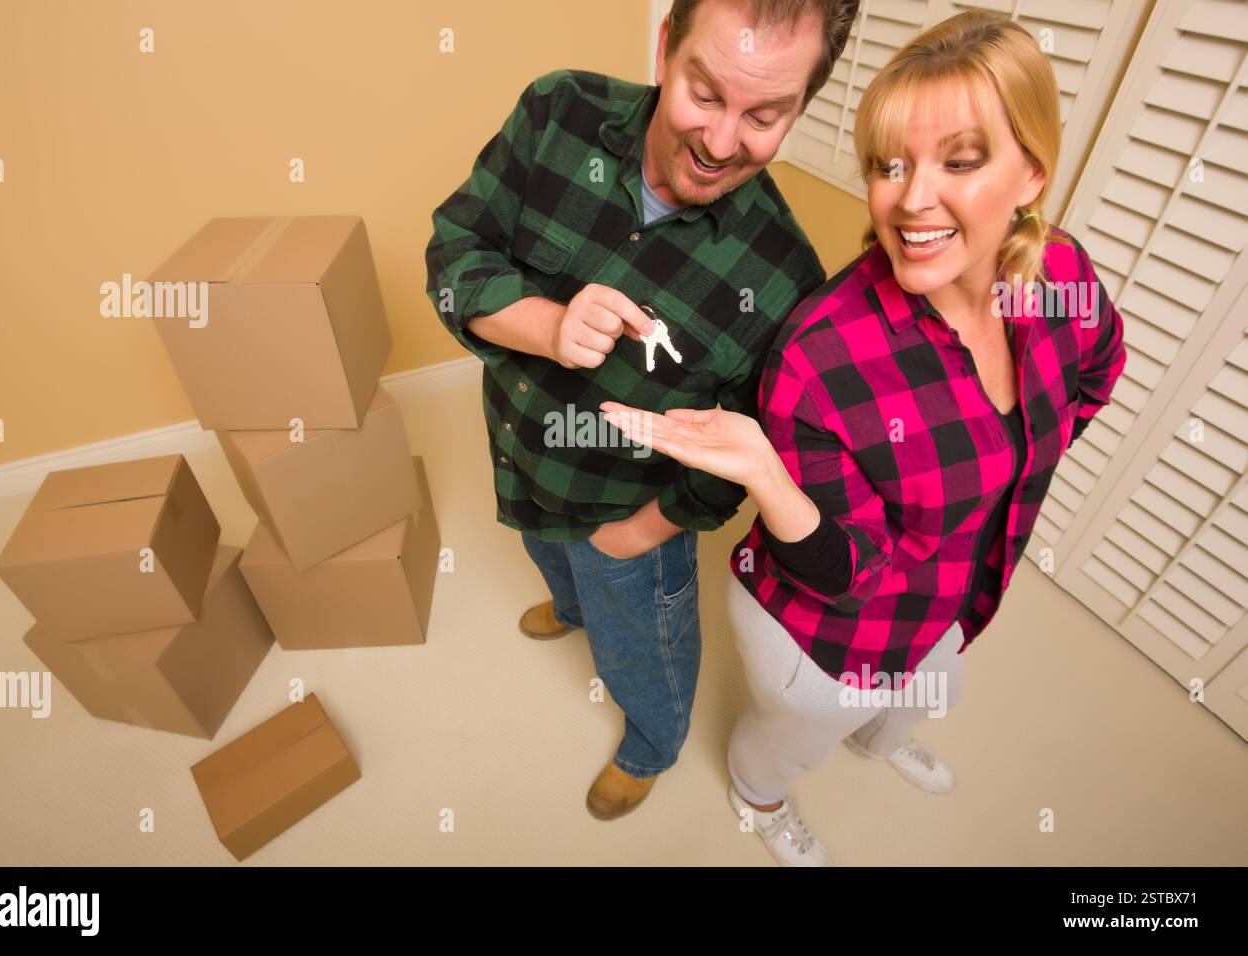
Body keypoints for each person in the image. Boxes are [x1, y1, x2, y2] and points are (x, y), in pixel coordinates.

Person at [602, 10, 1127, 860]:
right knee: (794, 739)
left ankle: (881, 736)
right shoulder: (824, 356)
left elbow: (1100, 363)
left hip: (953, 600)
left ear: (1031, 171)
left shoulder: (1053, 275)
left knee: (923, 691)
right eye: (891, 165)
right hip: (824, 639)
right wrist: (770, 481)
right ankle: (760, 801)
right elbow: (844, 570)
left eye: (960, 161)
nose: (911, 199)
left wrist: (1003, 472)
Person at [424, 0, 861, 819]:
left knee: (642, 648)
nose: (723, 143)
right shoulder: (558, 111)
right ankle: (570, 606)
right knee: (548, 557)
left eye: (765, 116)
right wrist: (550, 327)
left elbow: (740, 453)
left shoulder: (787, 281)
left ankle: (652, 743)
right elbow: (455, 254)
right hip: (520, 459)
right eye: (705, 94)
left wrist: (639, 534)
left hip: (628, 515)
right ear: (666, 48)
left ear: (799, 110)